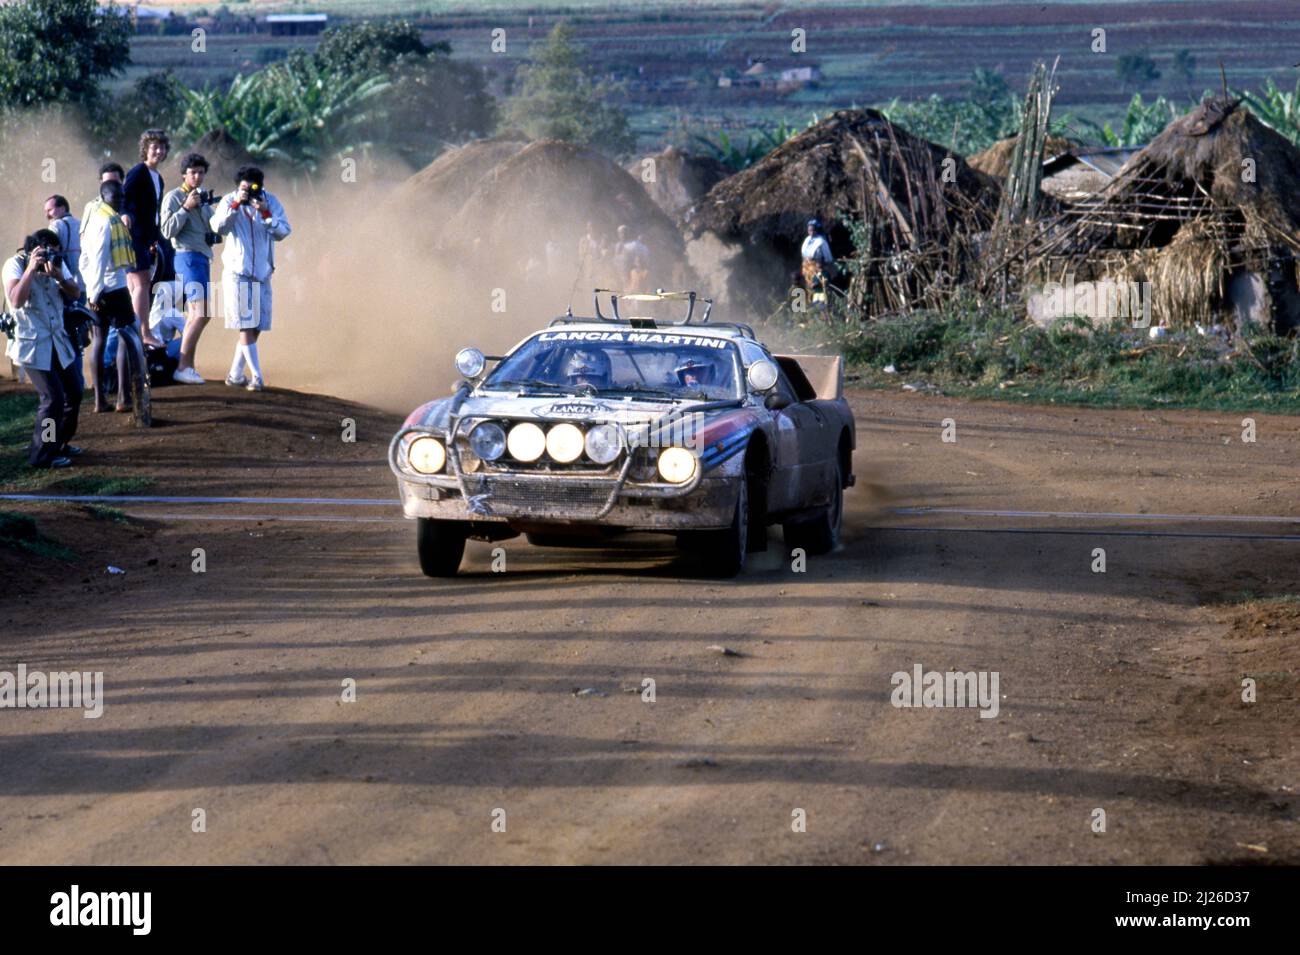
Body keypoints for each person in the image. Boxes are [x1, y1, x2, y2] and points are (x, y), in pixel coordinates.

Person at [3, 231, 84, 468]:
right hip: (32, 345)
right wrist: (30, 269)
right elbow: (16, 300)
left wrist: (59, 276)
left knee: (75, 392)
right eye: (46, 251)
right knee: (52, 398)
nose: (51, 255)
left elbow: (76, 293)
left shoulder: (56, 263)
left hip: (57, 341)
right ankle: (42, 454)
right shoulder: (15, 265)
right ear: (33, 250)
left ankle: (59, 442)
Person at [209, 165, 291, 392]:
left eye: (255, 188)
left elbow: (284, 231)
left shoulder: (271, 202)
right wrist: (235, 205)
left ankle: (235, 375)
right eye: (245, 188)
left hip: (263, 273)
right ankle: (257, 377)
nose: (251, 193)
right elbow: (218, 227)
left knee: (257, 327)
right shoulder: (229, 201)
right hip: (238, 272)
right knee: (245, 325)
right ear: (238, 186)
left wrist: (266, 213)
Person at [80, 180, 139, 414]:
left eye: (122, 197)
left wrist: (90, 289)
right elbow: (100, 258)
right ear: (104, 196)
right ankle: (123, 397)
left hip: (97, 289)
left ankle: (99, 400)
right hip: (112, 289)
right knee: (126, 337)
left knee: (99, 340)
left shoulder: (92, 216)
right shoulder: (107, 222)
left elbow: (84, 259)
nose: (120, 201)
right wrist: (95, 292)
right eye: (116, 198)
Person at [159, 152, 214, 384]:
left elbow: (211, 226)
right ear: (184, 174)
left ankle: (187, 366)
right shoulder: (174, 197)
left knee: (195, 314)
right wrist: (186, 208)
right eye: (193, 172)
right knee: (201, 314)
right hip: (187, 257)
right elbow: (167, 230)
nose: (197, 176)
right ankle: (183, 366)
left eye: (201, 172)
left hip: (200, 257)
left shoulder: (201, 198)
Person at [122, 129, 170, 347]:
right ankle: (144, 331)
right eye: (154, 147)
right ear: (145, 149)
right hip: (135, 235)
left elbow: (156, 212)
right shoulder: (138, 172)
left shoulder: (158, 177)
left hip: (148, 237)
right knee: (141, 282)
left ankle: (137, 330)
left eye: (162, 148)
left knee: (137, 284)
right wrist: (124, 214)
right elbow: (123, 196)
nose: (158, 152)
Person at [801, 218, 834, 300]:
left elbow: (828, 258)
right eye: (809, 230)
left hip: (816, 268)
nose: (811, 232)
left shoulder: (821, 241)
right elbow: (803, 254)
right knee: (808, 288)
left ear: (817, 230)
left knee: (817, 288)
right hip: (807, 268)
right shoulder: (807, 240)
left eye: (813, 230)